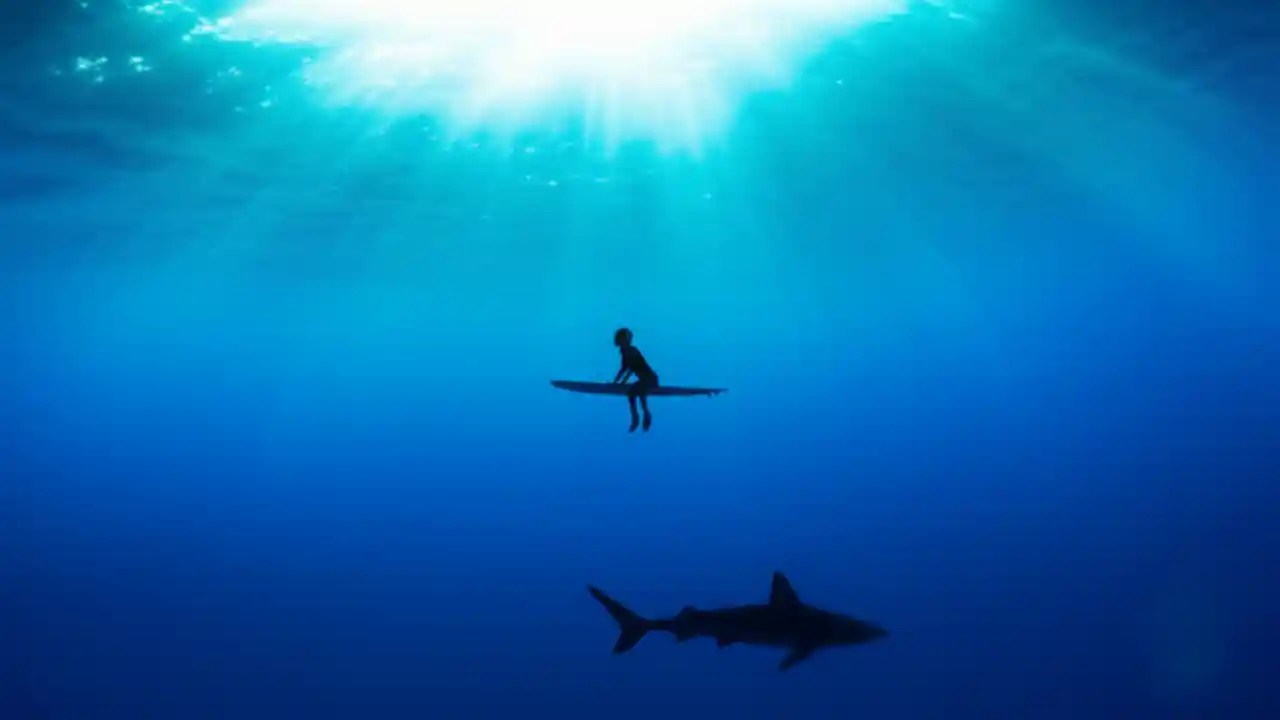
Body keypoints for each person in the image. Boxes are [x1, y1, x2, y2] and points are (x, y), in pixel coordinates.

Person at [612, 327, 658, 432]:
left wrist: (621, 382)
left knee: (637, 391)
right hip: (644, 380)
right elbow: (624, 368)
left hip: (650, 379)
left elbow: (630, 368)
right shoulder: (624, 351)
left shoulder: (632, 350)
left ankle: (643, 416)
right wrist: (616, 382)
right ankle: (636, 417)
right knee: (632, 393)